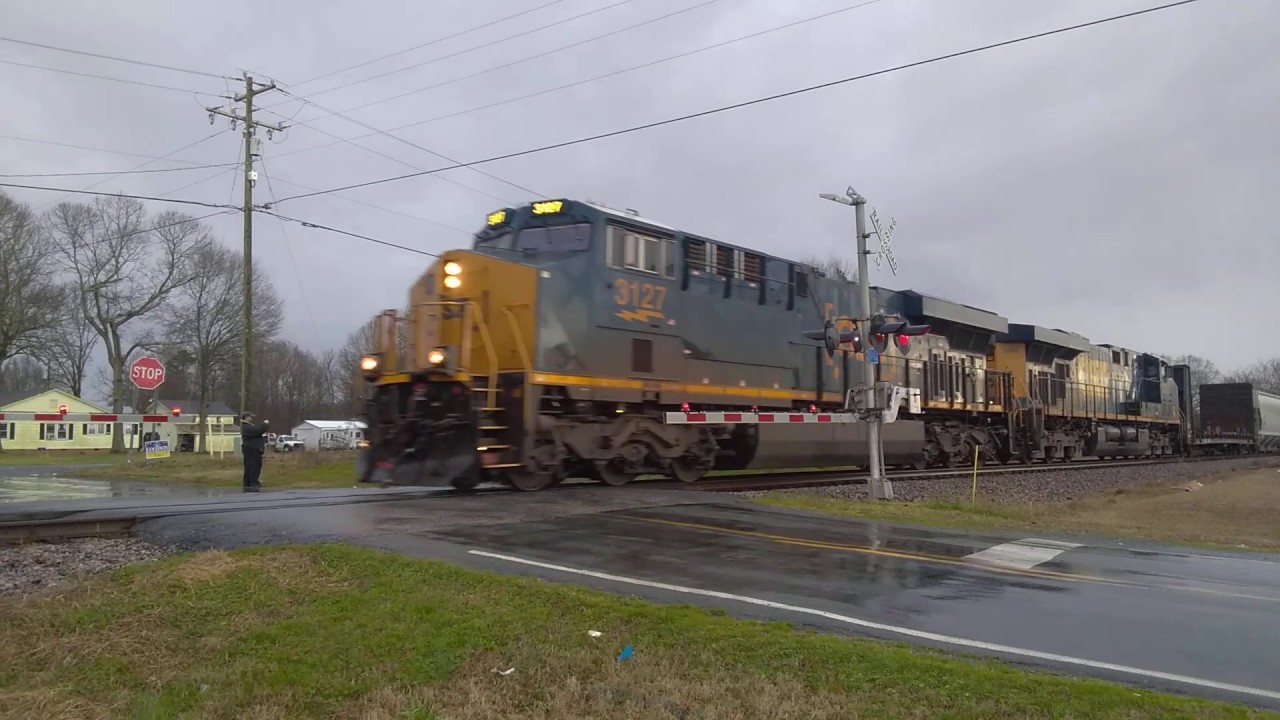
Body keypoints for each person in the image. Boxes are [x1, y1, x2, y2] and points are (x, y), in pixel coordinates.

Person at [240, 411, 269, 492]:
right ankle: (253, 483)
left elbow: (257, 433)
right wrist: (264, 424)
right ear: (246, 417)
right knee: (254, 467)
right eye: (250, 416)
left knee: (251, 467)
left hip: (252, 449)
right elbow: (258, 430)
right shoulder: (246, 427)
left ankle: (248, 483)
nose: (252, 418)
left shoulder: (249, 426)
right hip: (251, 449)